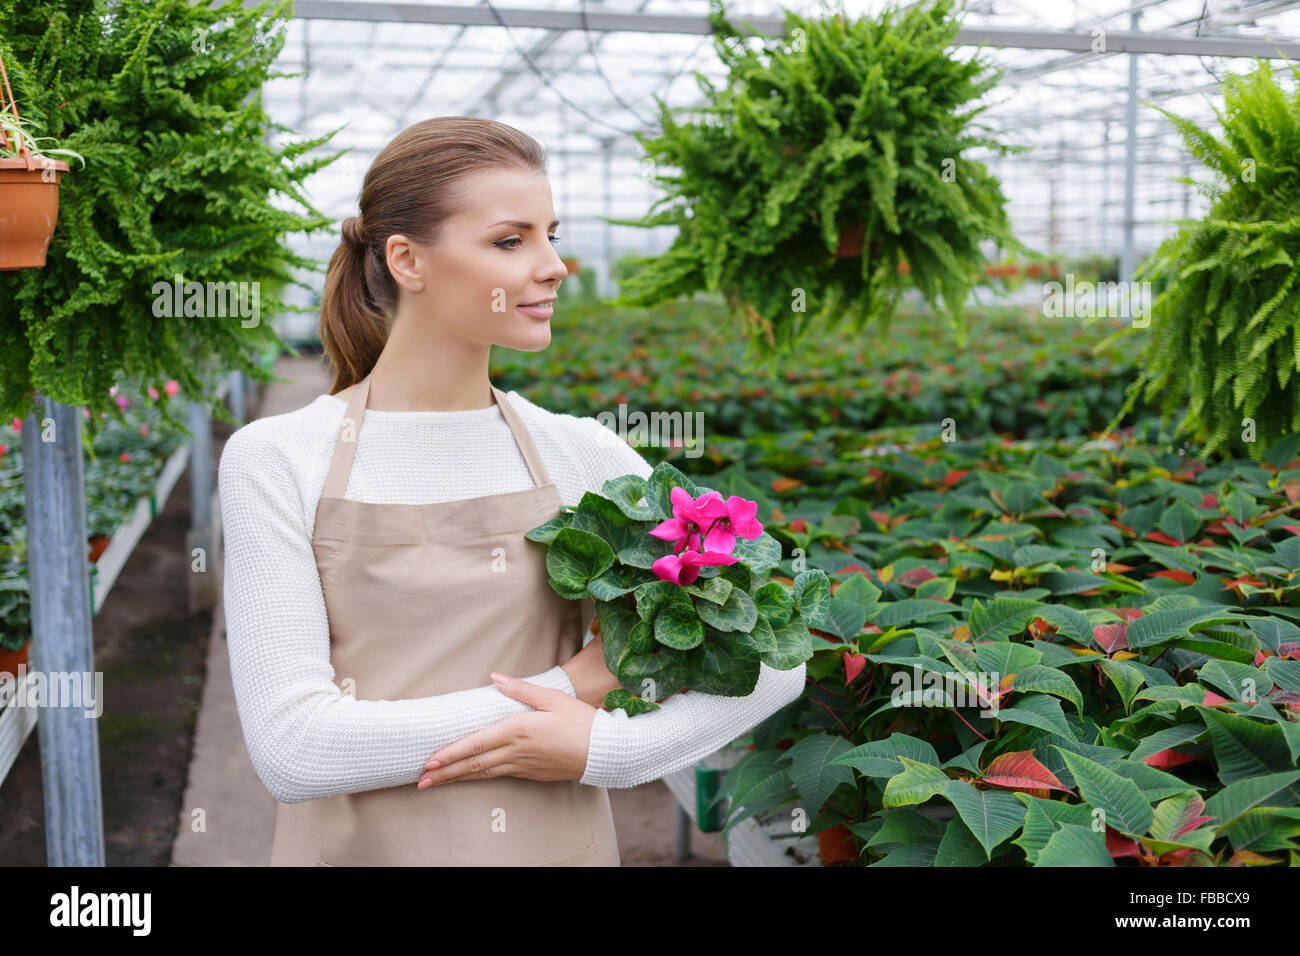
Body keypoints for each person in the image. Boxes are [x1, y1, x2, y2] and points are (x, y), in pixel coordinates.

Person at [218, 116, 807, 866]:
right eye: (511, 240)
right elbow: (296, 749)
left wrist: (611, 751)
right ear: (407, 259)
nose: (555, 264)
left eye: (551, 234)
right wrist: (571, 683)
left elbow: (780, 657)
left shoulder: (580, 452)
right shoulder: (276, 458)